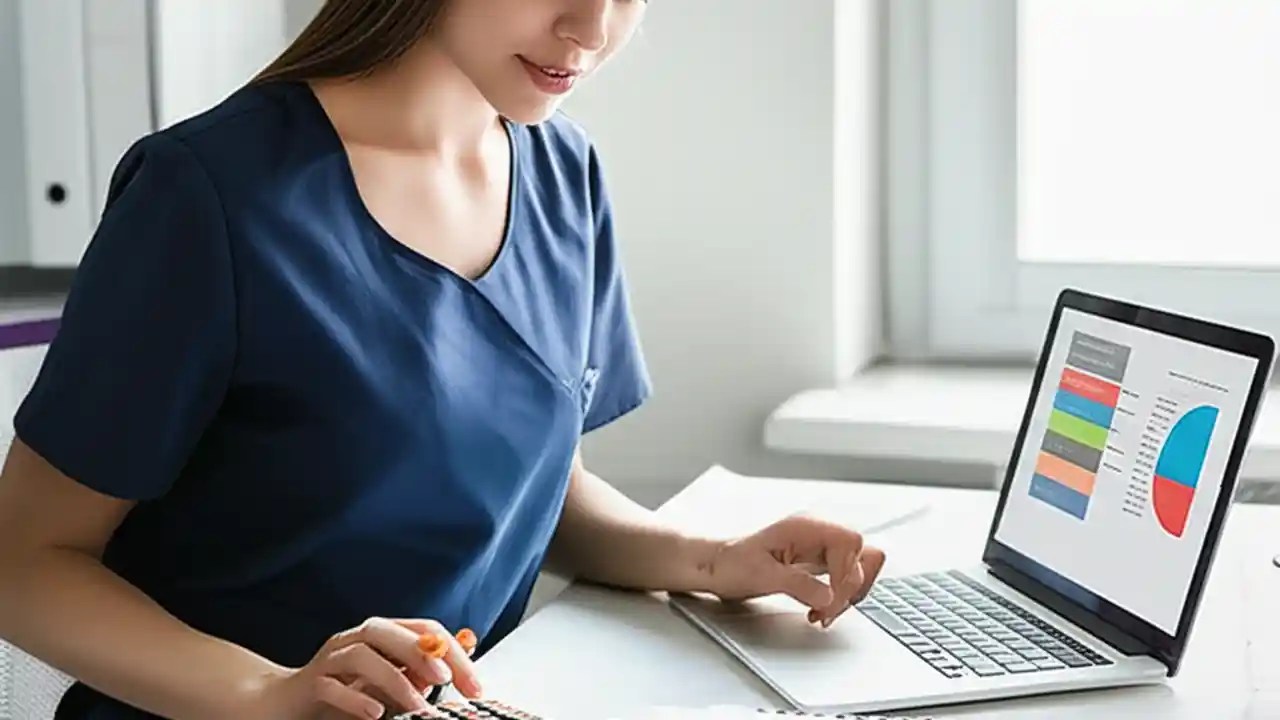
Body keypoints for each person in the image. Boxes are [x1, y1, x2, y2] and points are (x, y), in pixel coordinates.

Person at [0, 1, 887, 718]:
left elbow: (533, 491)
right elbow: (25, 564)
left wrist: (714, 560)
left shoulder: (562, 175)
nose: (592, 28)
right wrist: (268, 694)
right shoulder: (209, 198)